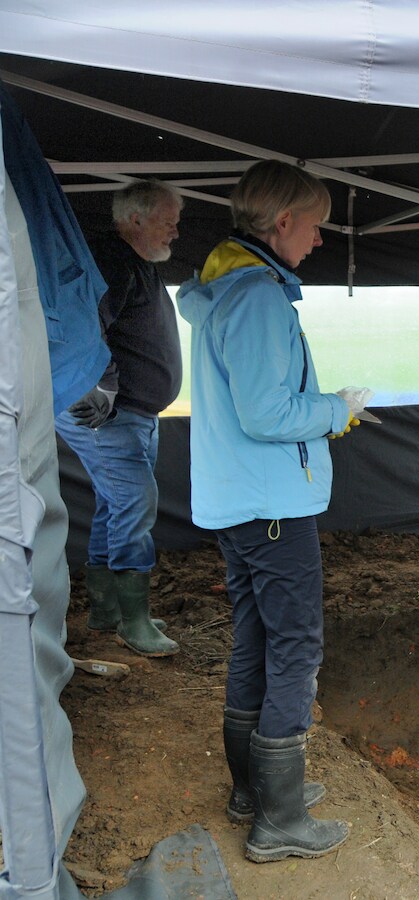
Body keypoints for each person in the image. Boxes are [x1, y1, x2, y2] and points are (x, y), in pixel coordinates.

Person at [177, 160, 371, 862]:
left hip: (239, 501)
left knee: (256, 642)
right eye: (315, 225)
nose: (318, 240)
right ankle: (280, 821)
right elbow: (267, 412)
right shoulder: (259, 298)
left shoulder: (224, 291)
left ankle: (251, 792)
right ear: (282, 222)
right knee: (295, 648)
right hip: (272, 506)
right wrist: (336, 411)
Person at [55, 179, 183, 657]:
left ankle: (107, 611)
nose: (175, 231)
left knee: (116, 505)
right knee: (133, 503)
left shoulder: (136, 263)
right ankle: (133, 621)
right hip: (110, 414)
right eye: (167, 221)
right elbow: (84, 327)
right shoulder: (111, 261)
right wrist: (103, 384)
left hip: (133, 413)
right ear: (135, 219)